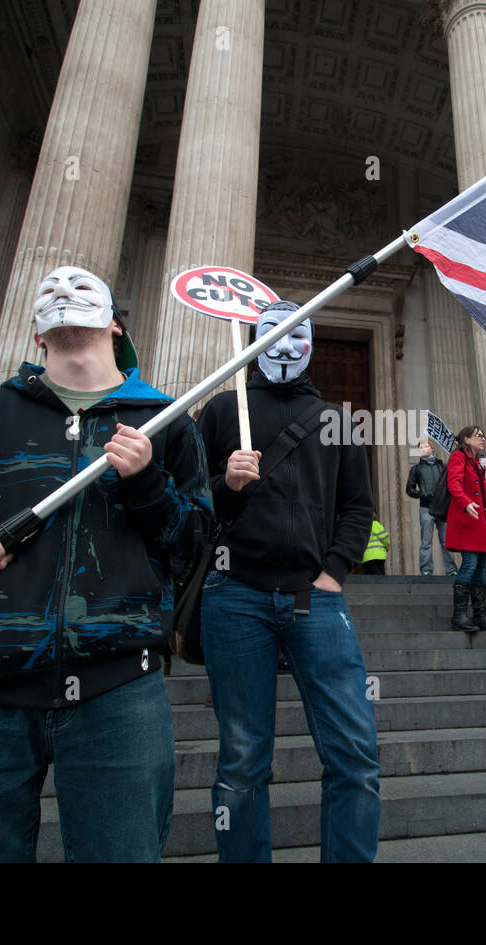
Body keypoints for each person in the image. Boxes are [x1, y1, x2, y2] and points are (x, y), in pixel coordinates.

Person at [0, 265, 212, 861]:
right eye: (48, 292)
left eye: (82, 289)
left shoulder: (166, 421)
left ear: (115, 324)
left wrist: (147, 481)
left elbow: (192, 543)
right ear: (37, 334)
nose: (63, 293)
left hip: (119, 684)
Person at [198, 299, 379, 863]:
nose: (285, 344)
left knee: (354, 753)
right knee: (242, 760)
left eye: (299, 332)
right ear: (253, 339)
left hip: (315, 599)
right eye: (272, 332)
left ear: (313, 342)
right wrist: (226, 482)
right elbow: (188, 505)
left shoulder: (337, 419)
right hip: (234, 597)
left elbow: (357, 506)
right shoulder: (223, 409)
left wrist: (334, 572)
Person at [444, 425, 486, 633]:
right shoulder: (458, 458)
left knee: (481, 566)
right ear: (466, 439)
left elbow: (482, 492)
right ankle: (459, 615)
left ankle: (479, 615)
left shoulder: (476, 463)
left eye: (484, 435)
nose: (482, 439)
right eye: (478, 436)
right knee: (470, 563)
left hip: (479, 521)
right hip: (466, 520)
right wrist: (465, 502)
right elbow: (453, 484)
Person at [405, 438, 456, 575]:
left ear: (432, 448)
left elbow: (451, 485)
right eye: (420, 447)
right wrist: (422, 494)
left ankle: (451, 569)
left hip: (442, 507)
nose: (423, 449)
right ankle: (426, 570)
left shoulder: (443, 467)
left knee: (446, 540)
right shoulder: (416, 469)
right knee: (426, 540)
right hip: (426, 507)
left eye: (426, 446)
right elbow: (409, 489)